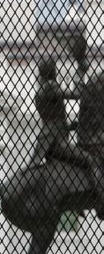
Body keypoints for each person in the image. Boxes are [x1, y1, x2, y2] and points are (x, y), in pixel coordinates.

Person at [30, 57, 104, 217]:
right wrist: (80, 70)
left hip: (50, 139)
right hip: (57, 143)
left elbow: (53, 120)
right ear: (51, 70)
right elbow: (77, 94)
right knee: (91, 160)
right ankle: (102, 200)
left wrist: (71, 126)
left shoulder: (40, 88)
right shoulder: (50, 86)